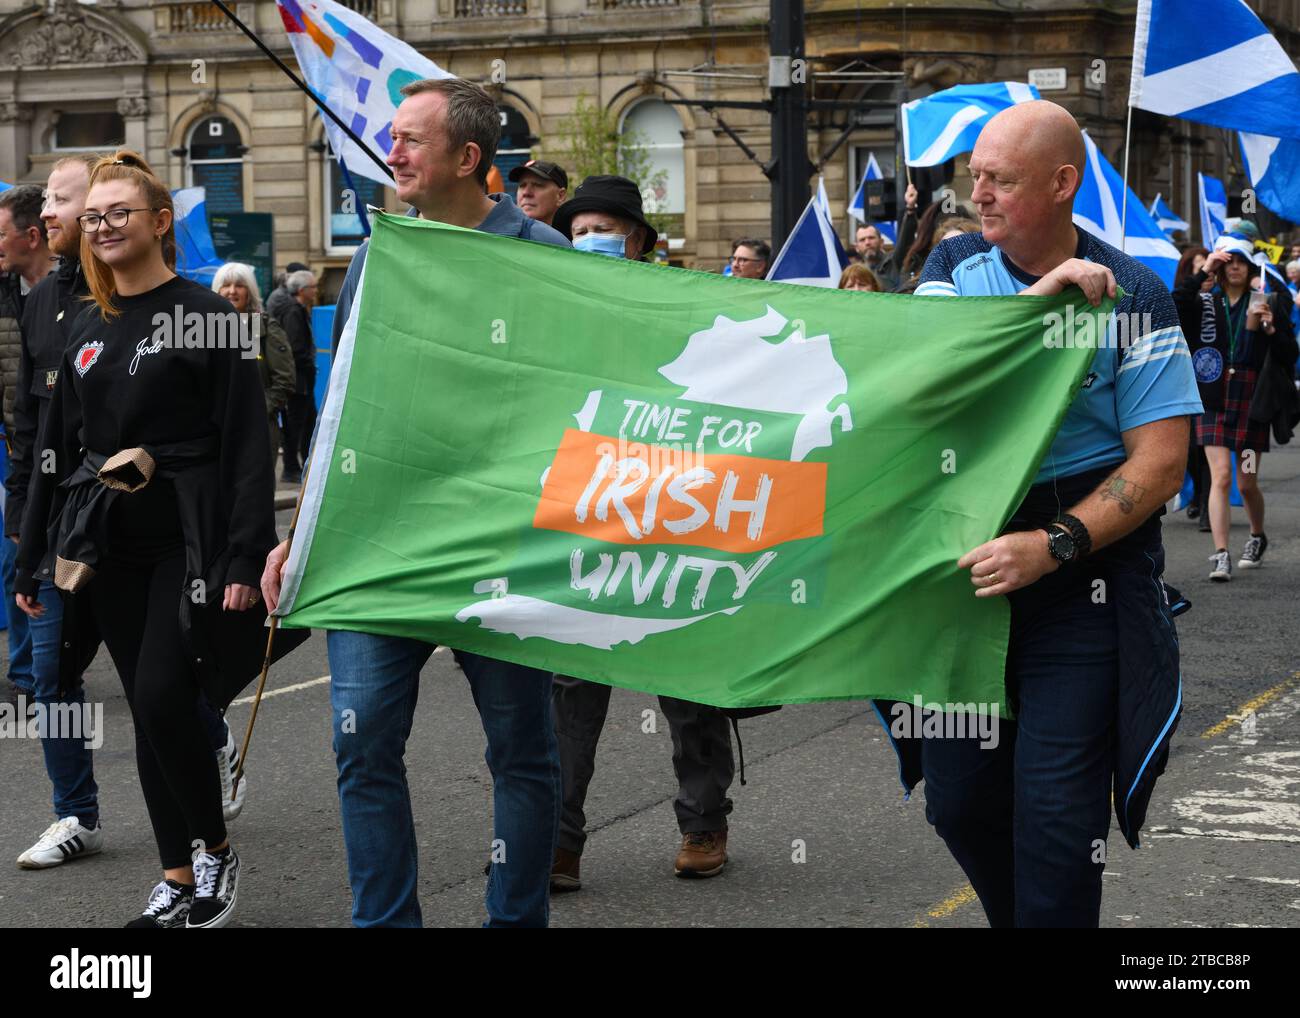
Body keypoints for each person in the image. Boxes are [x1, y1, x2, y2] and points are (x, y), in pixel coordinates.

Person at [261, 76, 569, 928]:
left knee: (521, 751)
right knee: (361, 744)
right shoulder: (377, 253)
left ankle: (515, 919)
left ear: (467, 158)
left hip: (503, 544)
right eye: (391, 138)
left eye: (408, 141)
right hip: (380, 536)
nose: (389, 153)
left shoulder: (544, 252)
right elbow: (344, 402)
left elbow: (583, 401)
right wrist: (301, 531)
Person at [903, 100, 1202, 927]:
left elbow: (1161, 459)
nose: (980, 194)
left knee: (1060, 828)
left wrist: (1056, 543)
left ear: (1064, 183)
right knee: (959, 805)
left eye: (1000, 179)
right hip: (961, 584)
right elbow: (930, 379)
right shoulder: (953, 263)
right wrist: (1043, 303)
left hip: (1082, 588)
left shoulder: (1137, 293)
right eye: (976, 178)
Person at [14, 151, 279, 927]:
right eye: (93, 217)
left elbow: (247, 444)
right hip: (109, 542)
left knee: (165, 694)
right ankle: (175, 877)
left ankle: (215, 853)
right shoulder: (87, 328)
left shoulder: (210, 314)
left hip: (188, 539)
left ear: (160, 222)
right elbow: (54, 457)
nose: (101, 226)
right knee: (147, 705)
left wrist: (243, 551)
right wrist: (31, 556)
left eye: (118, 213)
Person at [551, 175, 745, 887]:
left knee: (685, 678)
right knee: (571, 684)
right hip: (586, 518)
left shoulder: (687, 310)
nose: (591, 240)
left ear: (638, 241)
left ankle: (703, 824)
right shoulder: (561, 310)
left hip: (674, 518)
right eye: (579, 230)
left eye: (605, 228)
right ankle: (558, 840)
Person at [6, 156, 105, 868]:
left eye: (62, 200)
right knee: (52, 682)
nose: (48, 213)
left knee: (166, 683)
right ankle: (75, 815)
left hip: (134, 533)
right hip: (57, 533)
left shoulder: (145, 300)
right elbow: (27, 426)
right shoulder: (40, 303)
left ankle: (211, 749)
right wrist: (21, 533)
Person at [1179, 233, 1296, 581]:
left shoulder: (1266, 301)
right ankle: (1220, 554)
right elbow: (1175, 301)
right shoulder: (1205, 301)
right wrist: (1204, 272)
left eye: (1240, 262)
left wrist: (1272, 330)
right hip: (1213, 396)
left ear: (1249, 268)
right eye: (1228, 262)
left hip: (1250, 398)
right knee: (1221, 476)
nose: (1234, 268)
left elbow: (1291, 355)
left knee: (1245, 482)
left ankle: (1257, 536)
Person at [0, 185, 53, 709]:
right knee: (17, 552)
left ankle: (54, 662)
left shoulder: (76, 291)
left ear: (29, 236)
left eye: (1, 233)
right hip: (15, 445)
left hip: (64, 450)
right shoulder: (3, 290)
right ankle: (28, 671)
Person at [214, 262, 296, 472]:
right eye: (226, 285)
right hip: (215, 433)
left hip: (256, 431)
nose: (232, 291)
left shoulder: (266, 327)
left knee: (253, 499)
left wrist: (256, 411)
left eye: (239, 285)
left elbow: (284, 380)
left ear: (249, 292)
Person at [275, 269, 317, 484]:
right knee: (295, 426)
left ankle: (305, 466)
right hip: (298, 381)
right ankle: (291, 468)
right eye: (313, 287)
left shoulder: (299, 309)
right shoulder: (293, 311)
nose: (316, 291)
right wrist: (308, 364)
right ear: (302, 290)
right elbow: (295, 347)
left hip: (303, 380)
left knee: (309, 423)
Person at [509, 159, 568, 226]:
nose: (526, 193)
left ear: (560, 196)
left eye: (538, 185)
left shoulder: (576, 234)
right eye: (522, 185)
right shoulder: (501, 234)